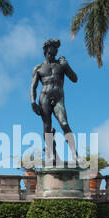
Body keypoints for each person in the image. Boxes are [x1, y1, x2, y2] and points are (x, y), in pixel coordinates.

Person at [29, 38, 80, 167]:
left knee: (64, 123)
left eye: (57, 47)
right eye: (53, 47)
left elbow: (75, 79)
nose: (56, 49)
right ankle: (51, 153)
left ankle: (75, 155)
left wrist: (66, 66)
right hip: (44, 97)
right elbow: (33, 86)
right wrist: (32, 102)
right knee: (47, 126)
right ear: (46, 49)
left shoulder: (61, 65)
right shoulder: (38, 68)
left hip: (58, 98)